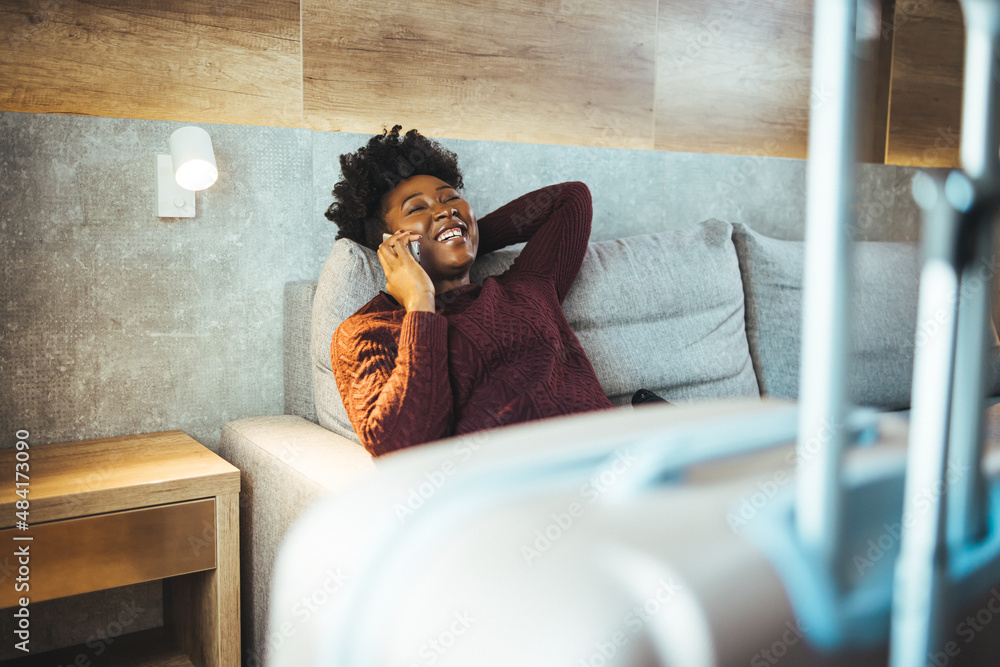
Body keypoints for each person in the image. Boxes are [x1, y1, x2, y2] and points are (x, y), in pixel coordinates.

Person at [325, 125, 616, 457]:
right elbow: (404, 447)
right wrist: (421, 300)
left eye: (451, 200)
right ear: (389, 245)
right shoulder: (369, 330)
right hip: (532, 485)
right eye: (417, 208)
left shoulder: (527, 286)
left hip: (624, 457)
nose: (445, 209)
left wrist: (463, 236)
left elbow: (570, 199)